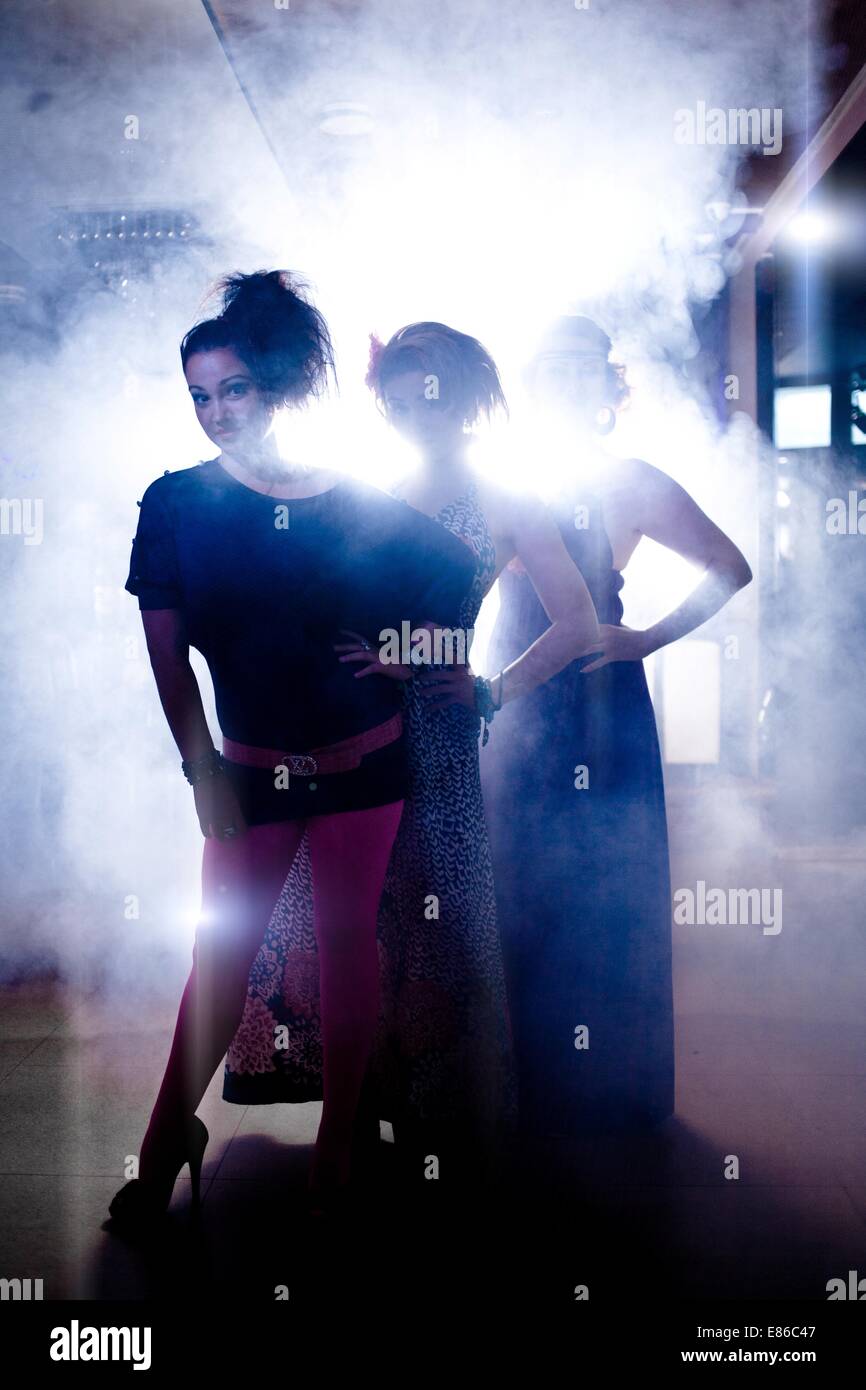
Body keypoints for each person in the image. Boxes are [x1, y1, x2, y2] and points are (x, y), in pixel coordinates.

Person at [109, 272, 476, 1227]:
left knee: (350, 948)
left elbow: (455, 584)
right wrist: (201, 774)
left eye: (233, 390)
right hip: (248, 773)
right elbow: (165, 656)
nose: (216, 412)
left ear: (274, 389)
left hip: (367, 768)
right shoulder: (177, 503)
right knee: (218, 960)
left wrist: (407, 656)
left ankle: (337, 1152)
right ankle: (159, 1149)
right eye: (198, 394)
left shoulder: (357, 505)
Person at [222, 321, 601, 1199]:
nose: (408, 414)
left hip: (438, 732)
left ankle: (442, 1118)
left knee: (440, 916)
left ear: (467, 397)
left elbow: (578, 620)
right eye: (392, 400)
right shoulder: (375, 494)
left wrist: (490, 689)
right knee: (356, 921)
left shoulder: (509, 500)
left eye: (424, 395)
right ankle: (359, 1113)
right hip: (347, 732)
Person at [484, 314, 753, 1148]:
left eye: (582, 372)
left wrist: (645, 638)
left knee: (608, 886)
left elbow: (730, 565)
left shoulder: (632, 481)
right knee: (507, 879)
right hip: (510, 690)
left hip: (601, 704)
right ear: (532, 388)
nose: (567, 386)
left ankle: (610, 1091)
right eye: (552, 371)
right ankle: (511, 1086)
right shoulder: (498, 479)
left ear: (607, 388)